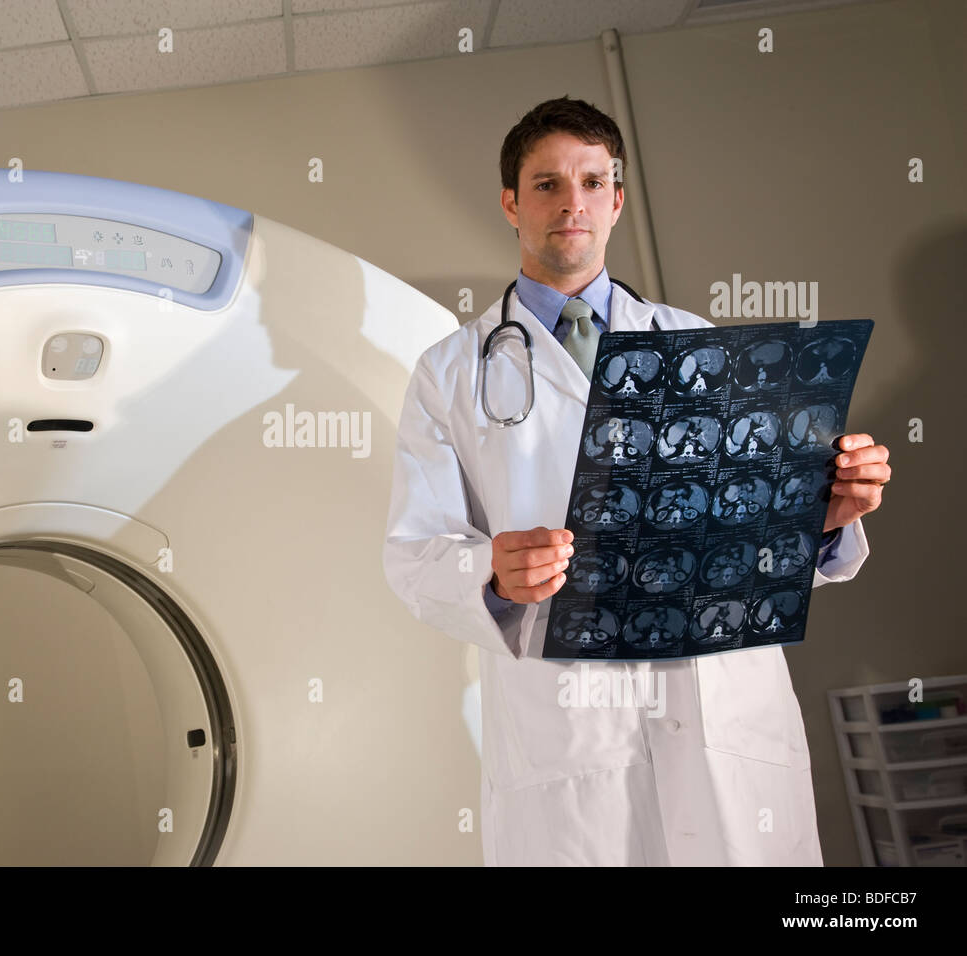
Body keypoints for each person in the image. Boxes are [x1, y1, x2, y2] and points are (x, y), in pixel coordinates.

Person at [382, 96, 891, 866]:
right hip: (571, 729)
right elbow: (413, 553)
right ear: (511, 204)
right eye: (547, 184)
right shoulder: (450, 374)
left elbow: (746, 536)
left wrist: (821, 518)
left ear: (617, 200)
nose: (572, 202)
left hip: (718, 703)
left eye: (593, 181)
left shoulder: (704, 346)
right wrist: (489, 570)